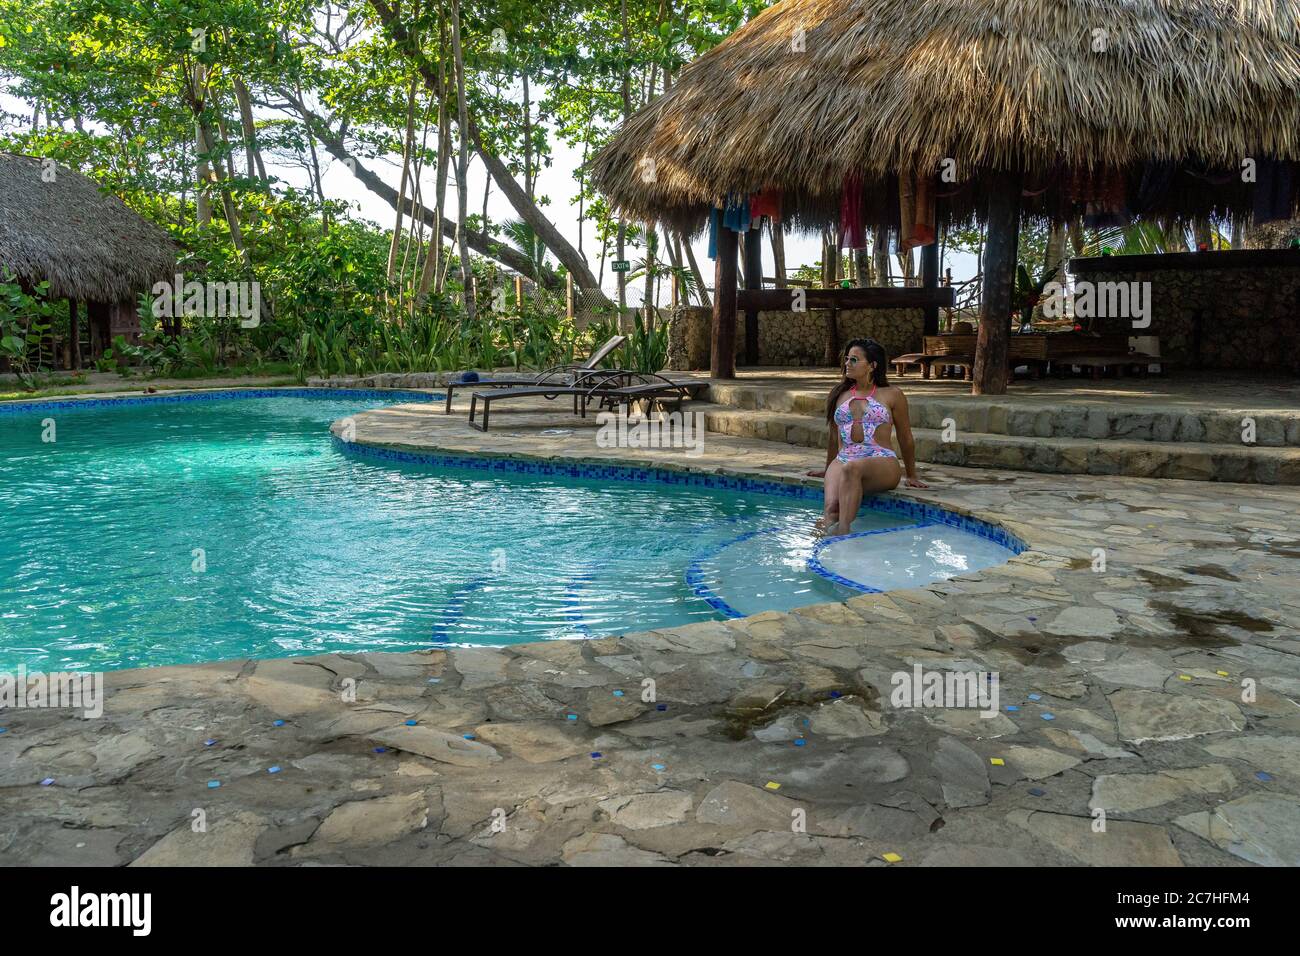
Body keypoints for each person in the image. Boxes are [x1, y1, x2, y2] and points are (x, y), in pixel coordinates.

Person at [818, 338, 927, 536]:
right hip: (844, 457)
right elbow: (834, 437)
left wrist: (911, 475)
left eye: (854, 360)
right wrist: (827, 469)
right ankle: (823, 547)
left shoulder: (892, 394)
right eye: (847, 359)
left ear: (872, 366)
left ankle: (843, 536)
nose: (847, 364)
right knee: (832, 508)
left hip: (881, 459)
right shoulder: (839, 394)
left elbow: (905, 436)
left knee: (851, 469)